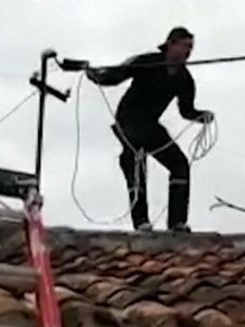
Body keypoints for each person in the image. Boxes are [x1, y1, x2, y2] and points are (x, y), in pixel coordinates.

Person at [85, 26, 213, 232]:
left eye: (191, 48)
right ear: (171, 44)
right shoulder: (147, 62)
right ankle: (141, 222)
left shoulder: (184, 80)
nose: (189, 52)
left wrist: (201, 116)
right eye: (186, 46)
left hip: (150, 124)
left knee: (179, 164)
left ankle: (177, 222)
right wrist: (94, 74)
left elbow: (186, 110)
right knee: (136, 162)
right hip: (128, 120)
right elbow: (117, 75)